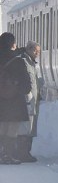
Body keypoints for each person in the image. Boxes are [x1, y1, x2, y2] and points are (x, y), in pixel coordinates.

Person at [0, 33, 31, 164]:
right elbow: (26, 85)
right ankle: (8, 155)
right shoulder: (18, 61)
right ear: (13, 44)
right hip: (14, 102)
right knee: (12, 129)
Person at [16, 42, 41, 162]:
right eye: (36, 51)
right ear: (29, 50)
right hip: (27, 101)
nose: (38, 53)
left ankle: (26, 152)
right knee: (25, 128)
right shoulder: (24, 62)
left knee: (30, 127)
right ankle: (23, 153)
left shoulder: (32, 63)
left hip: (33, 101)